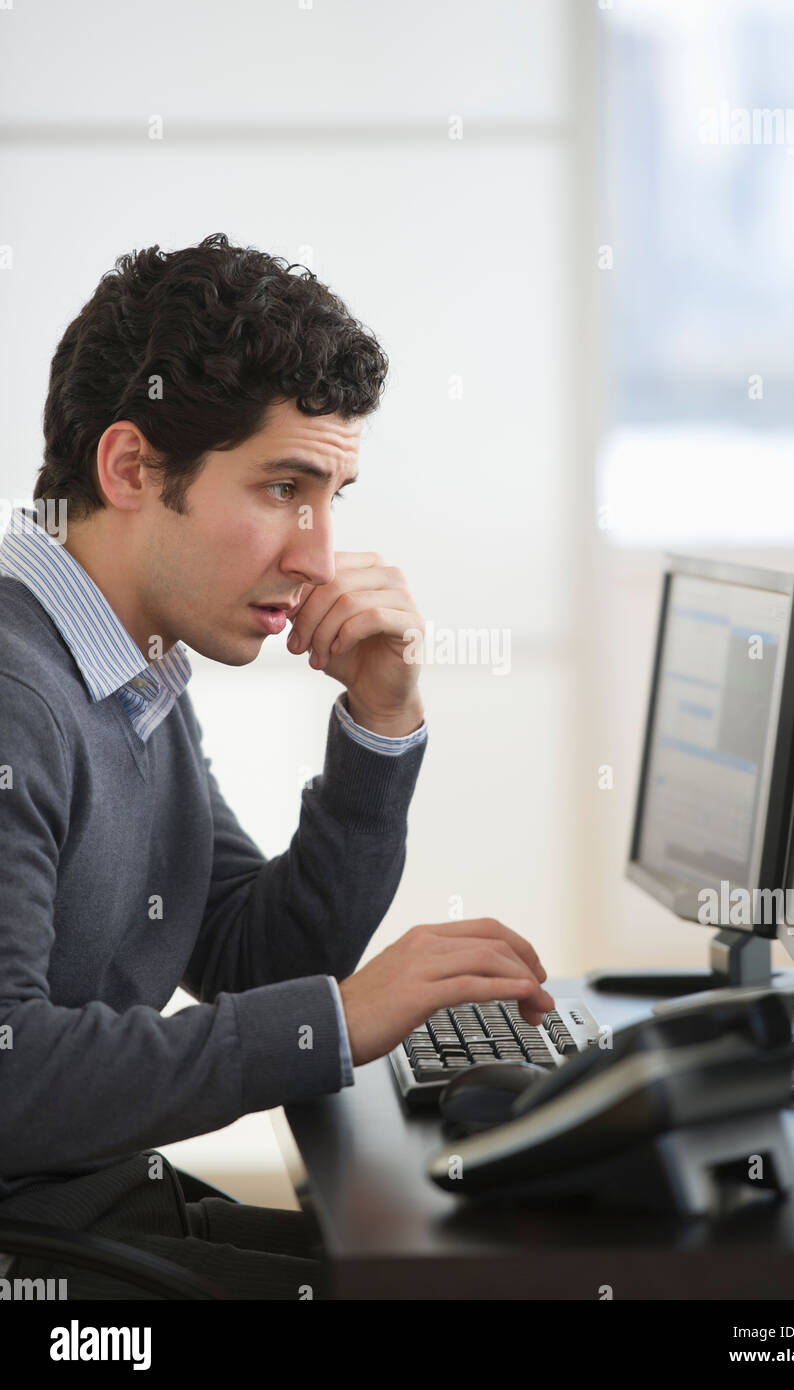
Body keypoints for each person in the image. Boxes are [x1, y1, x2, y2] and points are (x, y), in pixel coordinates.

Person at [0, 233, 554, 1299]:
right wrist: (336, 1019)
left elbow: (250, 956)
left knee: (489, 1266)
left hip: (84, 1216)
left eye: (333, 496)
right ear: (130, 468)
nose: (317, 556)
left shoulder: (129, 668)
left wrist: (380, 722)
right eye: (283, 487)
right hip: (39, 1261)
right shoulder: (18, 695)